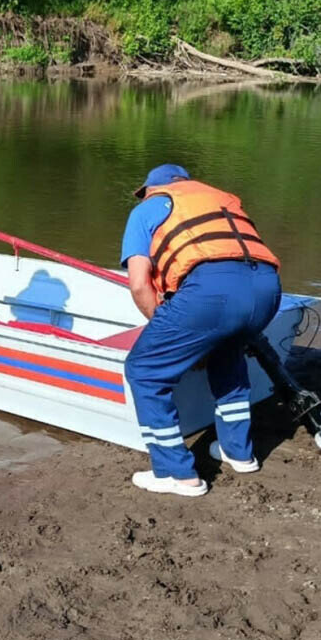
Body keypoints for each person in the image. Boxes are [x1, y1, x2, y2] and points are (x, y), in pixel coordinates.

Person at [122, 164, 282, 497]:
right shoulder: (221, 200)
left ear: (152, 189)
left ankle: (175, 473)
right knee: (227, 351)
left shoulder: (148, 209)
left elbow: (139, 285)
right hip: (267, 290)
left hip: (212, 292)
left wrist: (171, 338)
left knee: (144, 370)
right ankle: (239, 452)